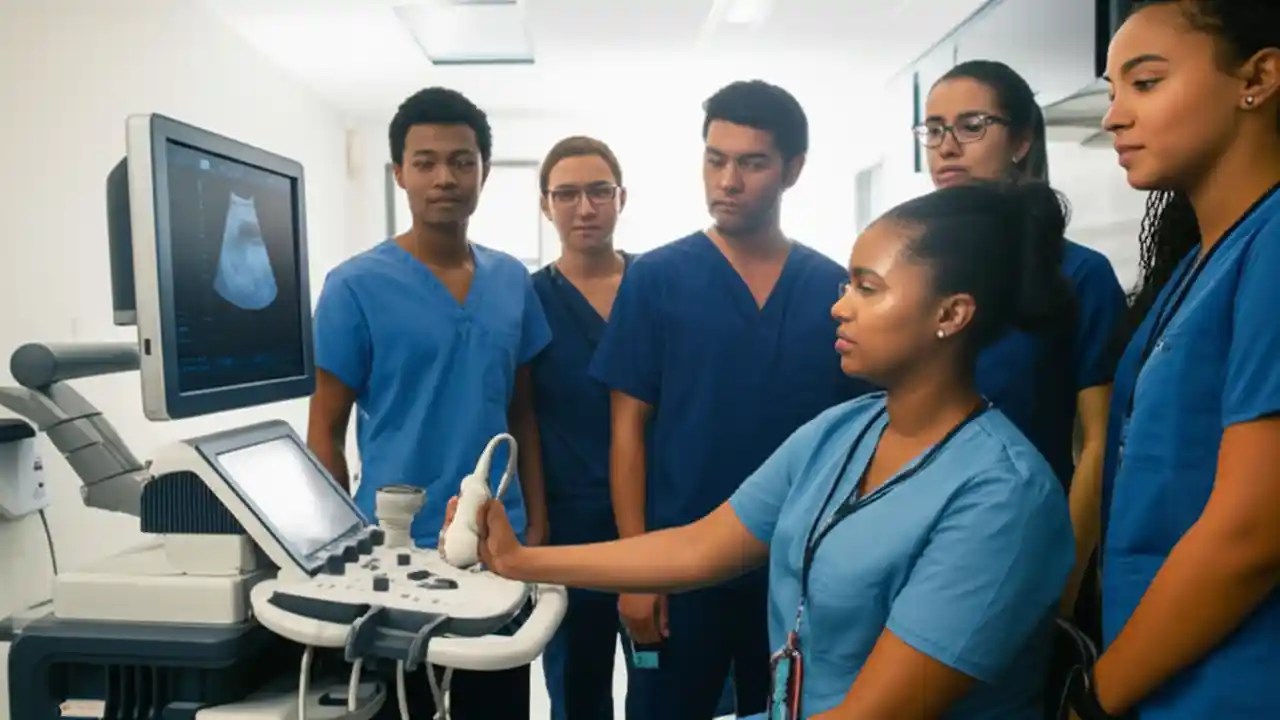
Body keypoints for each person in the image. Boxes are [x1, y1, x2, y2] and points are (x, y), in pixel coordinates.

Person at [448, 179, 1078, 720]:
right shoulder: (843, 432)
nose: (839, 307)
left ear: (952, 313)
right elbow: (697, 547)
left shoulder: (1002, 497)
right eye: (846, 285)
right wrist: (520, 559)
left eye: (867, 288)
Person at [586, 80, 874, 720]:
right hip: (680, 570)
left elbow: (866, 437)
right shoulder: (656, 279)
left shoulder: (834, 289)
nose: (728, 180)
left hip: (801, 574)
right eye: (715, 159)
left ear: (792, 170)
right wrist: (637, 572)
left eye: (751, 162)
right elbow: (627, 431)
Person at [1061, 2, 1280, 718]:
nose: (1113, 117)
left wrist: (1097, 698)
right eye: (1112, 90)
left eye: (1145, 84)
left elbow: (1252, 532)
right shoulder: (1197, 267)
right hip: (1170, 676)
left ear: (1259, 78)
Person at [307, 86, 550, 719]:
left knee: (494, 703)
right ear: (400, 174)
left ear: (483, 173)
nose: (445, 177)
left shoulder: (511, 282)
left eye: (462, 161)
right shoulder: (355, 286)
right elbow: (324, 431)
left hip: (498, 541)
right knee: (401, 706)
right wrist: (333, 555)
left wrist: (538, 527)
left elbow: (522, 415)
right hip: (392, 549)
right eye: (425, 162)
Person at [918, 59, 1128, 621]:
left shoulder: (1078, 276)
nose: (946, 146)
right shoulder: (913, 274)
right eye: (934, 129)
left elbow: (1097, 446)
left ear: (1022, 140)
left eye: (971, 125)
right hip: (918, 550)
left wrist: (1061, 587)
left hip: (1027, 551)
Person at [530, 135, 633, 719]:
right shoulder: (528, 299)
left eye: (599, 192)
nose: (584, 208)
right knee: (577, 689)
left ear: (622, 198)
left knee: (665, 682)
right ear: (546, 205)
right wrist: (538, 526)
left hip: (658, 520)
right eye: (566, 195)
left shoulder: (657, 286)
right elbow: (520, 414)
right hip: (571, 524)